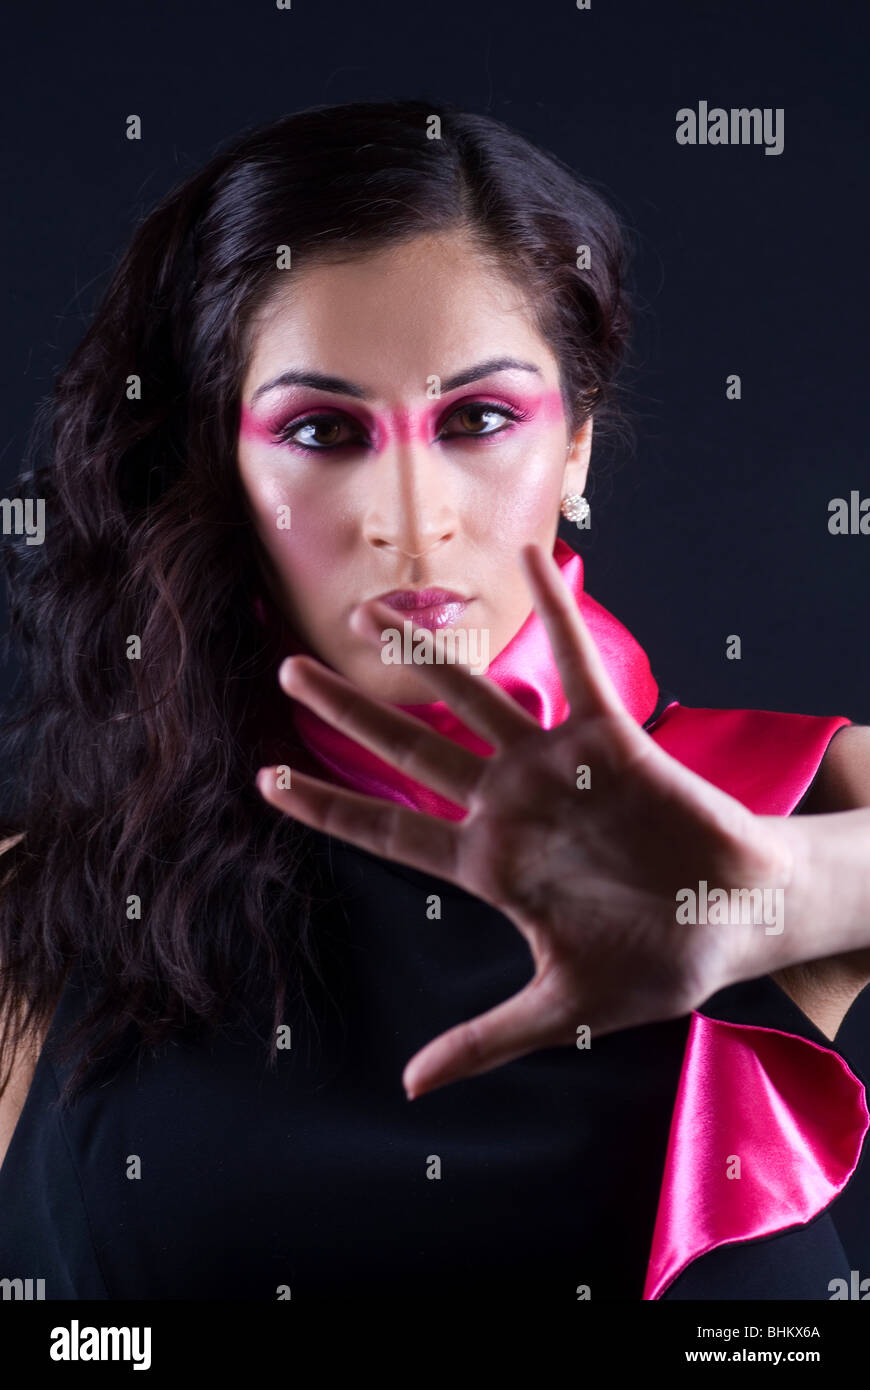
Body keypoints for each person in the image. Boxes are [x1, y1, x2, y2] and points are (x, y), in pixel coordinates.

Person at [1, 97, 870, 1303]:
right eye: (321, 428)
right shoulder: (42, 903)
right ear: (222, 465)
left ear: (574, 449)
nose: (412, 516)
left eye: (478, 418)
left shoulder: (803, 791)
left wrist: (773, 895)